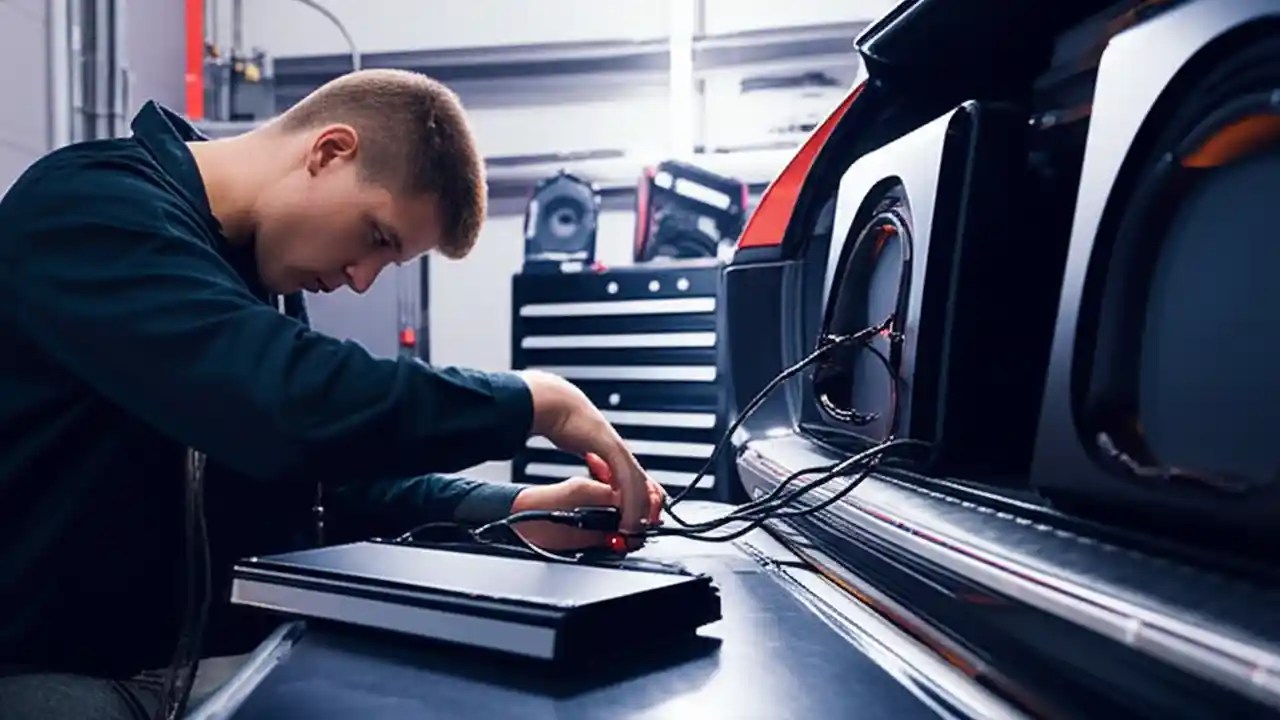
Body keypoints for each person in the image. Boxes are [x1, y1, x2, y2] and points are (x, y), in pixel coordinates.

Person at [0, 68, 664, 719]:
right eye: (376, 238)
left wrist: (518, 510)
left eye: (389, 262)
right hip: (47, 672)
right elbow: (287, 408)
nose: (362, 279)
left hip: (193, 663)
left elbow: (325, 489)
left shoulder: (249, 278)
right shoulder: (89, 207)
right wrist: (537, 402)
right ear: (329, 151)